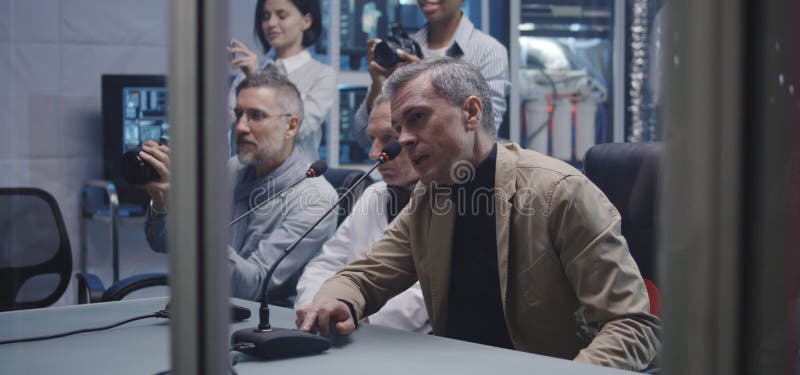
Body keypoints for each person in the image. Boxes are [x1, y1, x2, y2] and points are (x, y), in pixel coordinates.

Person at [296, 57, 660, 371]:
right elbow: (364, 276)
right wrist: (338, 300)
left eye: (417, 118)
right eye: (399, 128)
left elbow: (632, 325)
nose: (403, 139)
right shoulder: (431, 196)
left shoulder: (559, 191)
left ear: (471, 113)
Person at [142, 70, 337, 307]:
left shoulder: (316, 199)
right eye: (238, 114)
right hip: (209, 310)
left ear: (291, 126)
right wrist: (161, 199)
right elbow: (162, 242)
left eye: (256, 116)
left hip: (269, 325)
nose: (241, 127)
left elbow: (250, 287)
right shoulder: (232, 169)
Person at [295, 96, 429, 332]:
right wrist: (316, 308)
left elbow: (427, 293)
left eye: (389, 140)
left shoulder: (443, 204)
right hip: (346, 332)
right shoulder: (373, 195)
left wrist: (353, 316)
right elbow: (325, 265)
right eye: (371, 140)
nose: (374, 153)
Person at [354, 0, 509, 142]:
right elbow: (362, 137)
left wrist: (423, 80)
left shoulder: (488, 51)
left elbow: (486, 131)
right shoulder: (402, 48)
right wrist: (378, 84)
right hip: (406, 170)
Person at [228, 0, 335, 162]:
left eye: (282, 16)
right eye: (266, 16)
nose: (271, 23)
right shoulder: (247, 74)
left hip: (296, 180)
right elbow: (226, 125)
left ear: (306, 21)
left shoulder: (322, 75)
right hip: (245, 178)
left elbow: (299, 129)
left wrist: (257, 79)